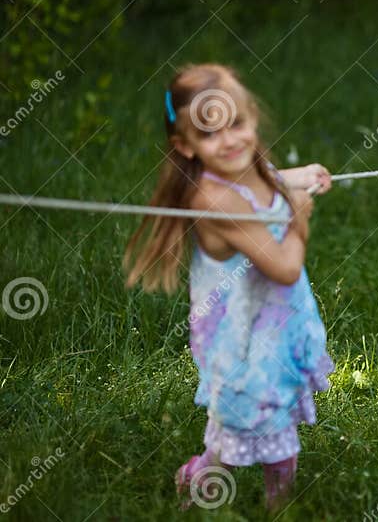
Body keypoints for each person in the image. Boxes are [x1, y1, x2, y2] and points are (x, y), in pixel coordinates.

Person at [123, 63, 334, 510]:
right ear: (186, 146)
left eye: (236, 123)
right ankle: (281, 509)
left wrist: (296, 178)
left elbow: (265, 185)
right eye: (211, 134)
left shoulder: (248, 165)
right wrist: (297, 216)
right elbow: (285, 268)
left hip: (271, 319)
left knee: (247, 421)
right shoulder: (214, 199)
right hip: (243, 338)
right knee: (267, 425)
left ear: (251, 114)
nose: (231, 140)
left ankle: (198, 479)